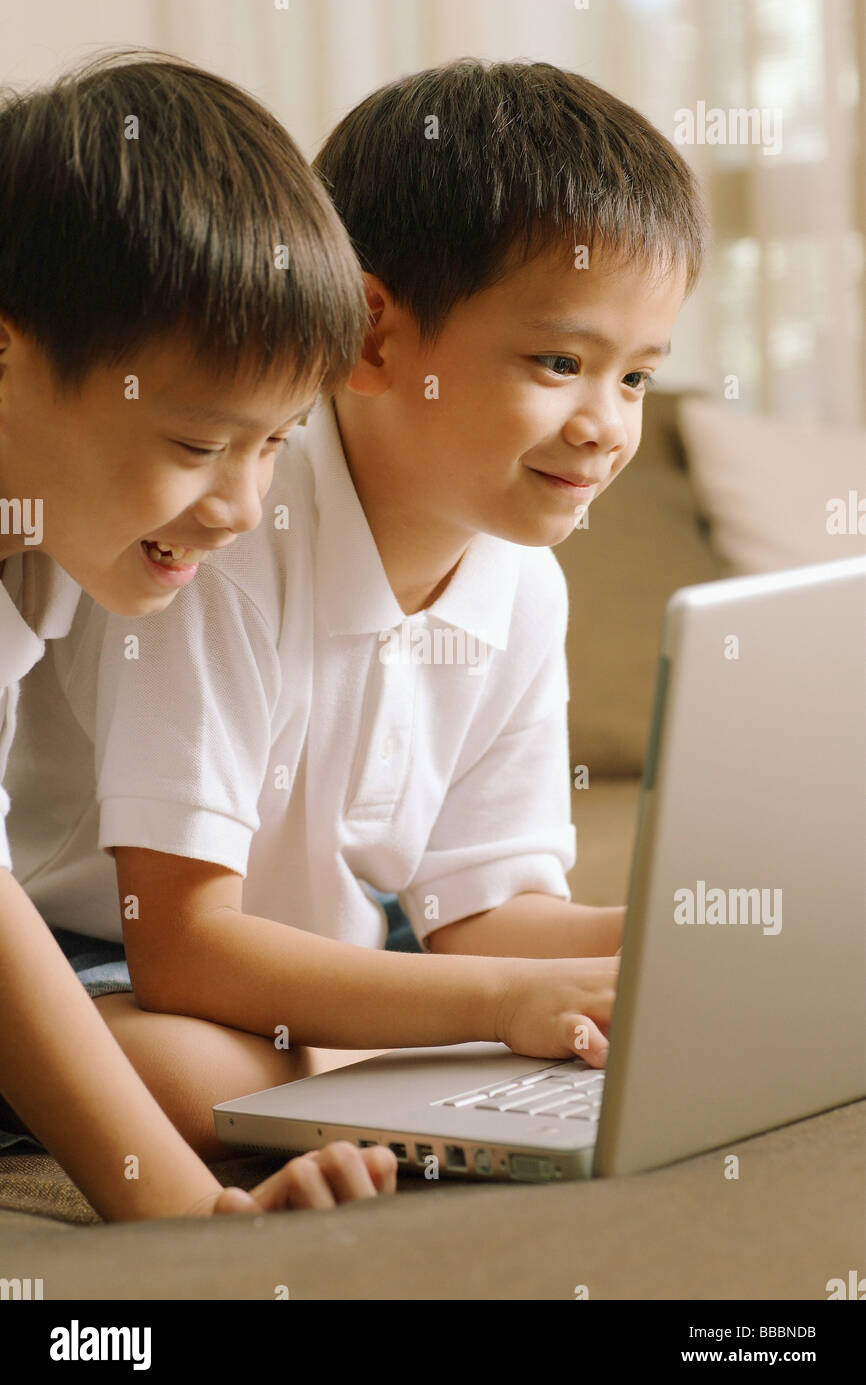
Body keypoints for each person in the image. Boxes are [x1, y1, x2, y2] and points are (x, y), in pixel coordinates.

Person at [6, 60, 707, 1161]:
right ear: (374, 337)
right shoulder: (217, 534)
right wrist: (484, 1006)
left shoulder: (523, 574)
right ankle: (378, 1062)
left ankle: (372, 1060)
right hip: (120, 956)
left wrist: (694, 936)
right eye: (560, 361)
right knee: (172, 1068)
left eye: (634, 379)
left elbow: (480, 917)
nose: (602, 426)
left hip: (328, 945)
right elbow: (182, 949)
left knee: (598, 994)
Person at [0, 50, 399, 1219]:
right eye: (194, 444)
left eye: (273, 444)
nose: (239, 509)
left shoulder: (40, 554)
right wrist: (183, 1213)